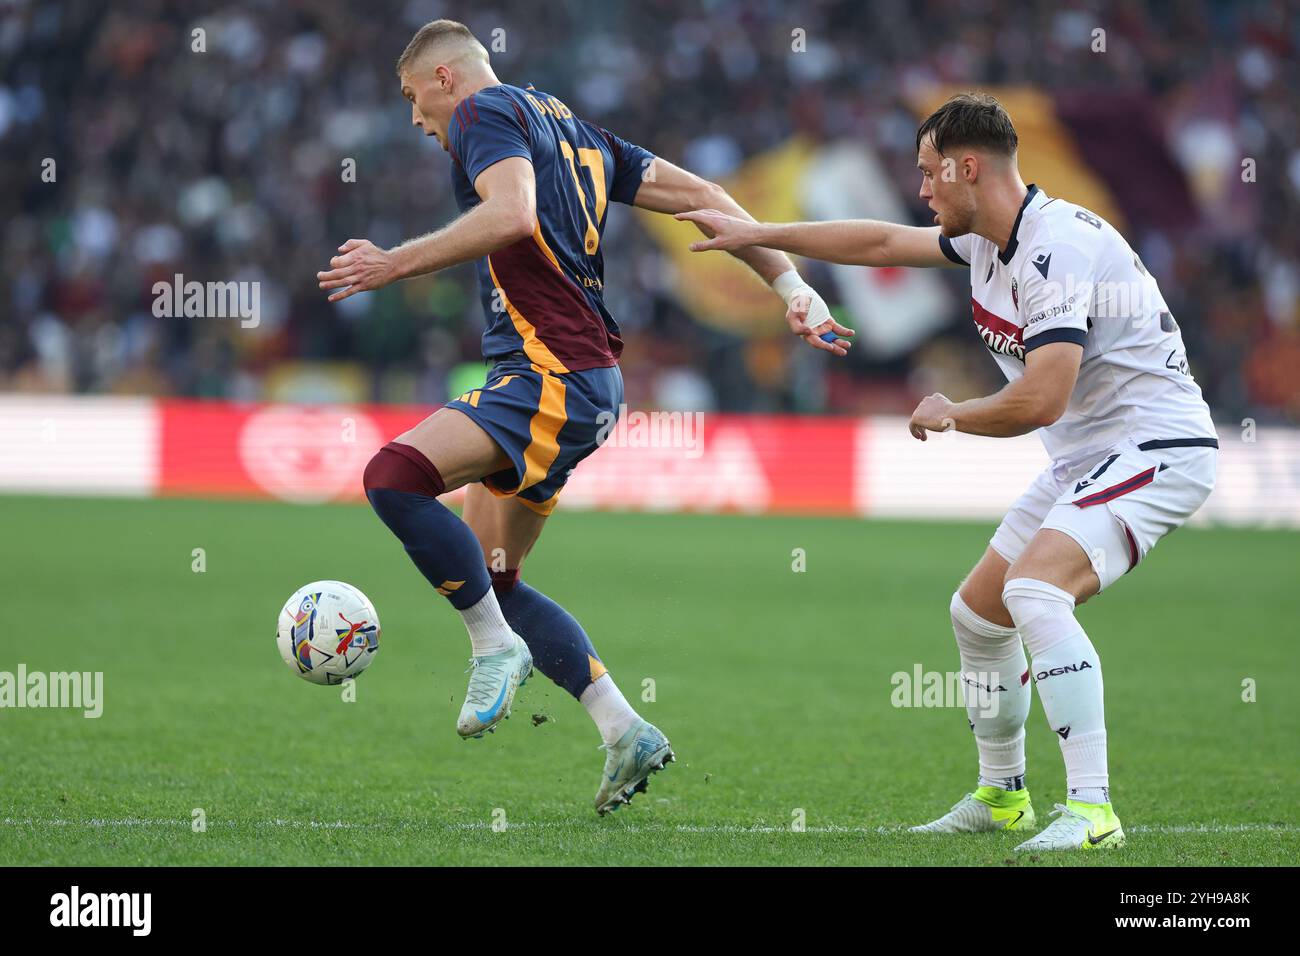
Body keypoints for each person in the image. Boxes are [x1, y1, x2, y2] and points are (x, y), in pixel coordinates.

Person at [315, 19, 851, 815]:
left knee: (392, 477)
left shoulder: (480, 115)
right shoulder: (573, 128)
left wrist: (394, 262)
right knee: (496, 578)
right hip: (588, 384)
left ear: (445, 79)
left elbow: (511, 217)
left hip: (549, 376)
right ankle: (622, 728)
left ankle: (492, 647)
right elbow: (704, 198)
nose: (415, 121)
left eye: (412, 99)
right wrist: (792, 290)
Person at [677, 92, 1218, 851]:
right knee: (978, 613)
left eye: (930, 172)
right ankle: (1002, 798)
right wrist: (758, 235)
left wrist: (953, 411)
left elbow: (1042, 396)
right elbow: (875, 243)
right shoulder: (986, 239)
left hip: (1156, 449)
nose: (922, 189)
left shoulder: (1054, 248)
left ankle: (1093, 812)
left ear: (969, 167)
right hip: (1087, 456)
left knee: (1034, 591)